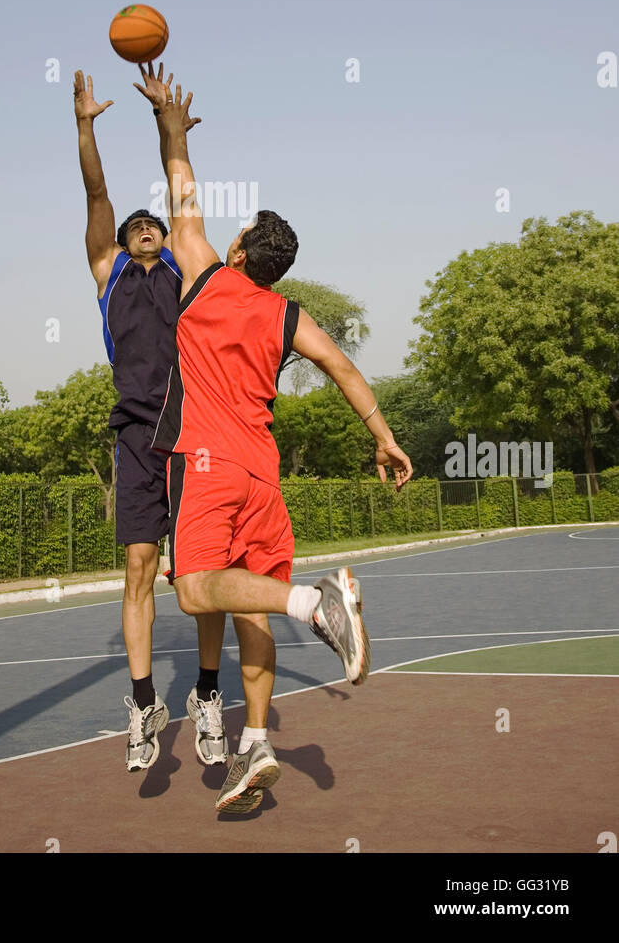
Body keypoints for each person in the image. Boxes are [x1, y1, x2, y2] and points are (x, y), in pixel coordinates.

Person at [136, 67, 413, 813]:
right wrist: (384, 438)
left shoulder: (203, 278)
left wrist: (169, 122)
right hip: (264, 476)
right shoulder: (288, 316)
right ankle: (256, 744)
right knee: (246, 608)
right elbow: (344, 368)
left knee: (197, 591)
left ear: (237, 248)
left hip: (207, 461)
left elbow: (181, 191)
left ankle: (316, 604)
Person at [74, 68, 227, 773]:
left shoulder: (182, 272)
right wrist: (87, 126)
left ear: (163, 239)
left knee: (199, 573)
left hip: (191, 432)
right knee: (140, 565)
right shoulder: (107, 273)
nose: (141, 226)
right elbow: (97, 194)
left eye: (151, 225)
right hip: (135, 437)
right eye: (133, 225)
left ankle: (206, 693)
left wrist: (168, 127)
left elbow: (182, 195)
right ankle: (142, 704)